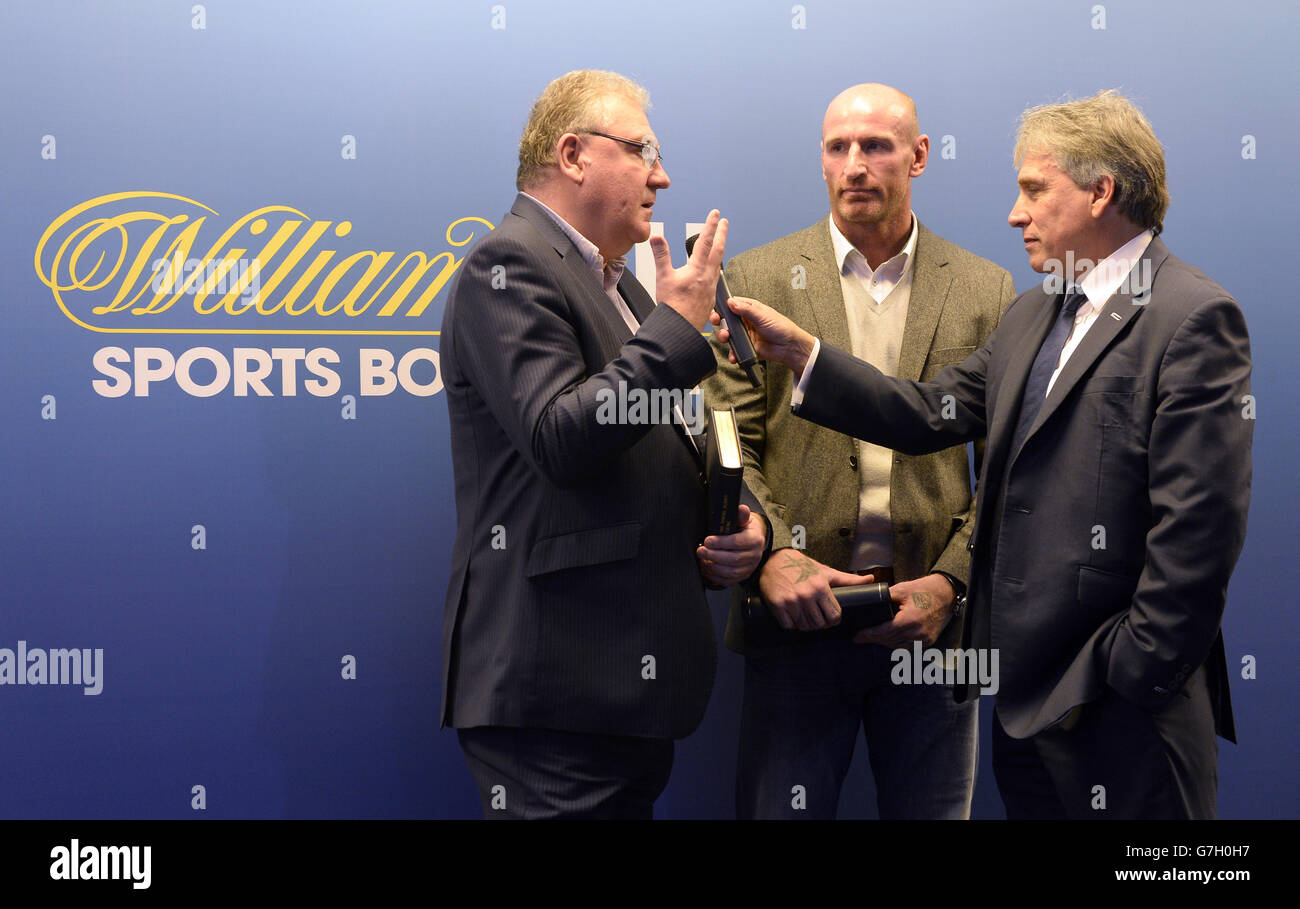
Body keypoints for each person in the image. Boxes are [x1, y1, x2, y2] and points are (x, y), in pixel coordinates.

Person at [717, 90, 1251, 819]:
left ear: (1101, 193)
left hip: (1124, 713)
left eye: (1034, 190)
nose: (1014, 213)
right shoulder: (1036, 311)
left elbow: (1199, 533)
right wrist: (805, 355)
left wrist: (1131, 677)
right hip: (1027, 713)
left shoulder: (1190, 316)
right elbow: (924, 410)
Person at [439, 70, 768, 819]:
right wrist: (676, 332)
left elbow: (668, 434)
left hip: (622, 691)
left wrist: (739, 520)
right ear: (574, 154)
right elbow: (559, 435)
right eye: (643, 149)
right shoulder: (509, 264)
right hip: (557, 692)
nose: (663, 173)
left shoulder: (622, 285)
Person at [702, 83, 1014, 819]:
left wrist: (951, 583)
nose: (855, 165)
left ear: (919, 155)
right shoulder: (755, 279)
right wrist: (776, 554)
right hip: (796, 624)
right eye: (837, 147)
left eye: (876, 146)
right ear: (820, 158)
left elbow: (1005, 470)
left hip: (931, 627)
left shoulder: (984, 288)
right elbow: (727, 445)